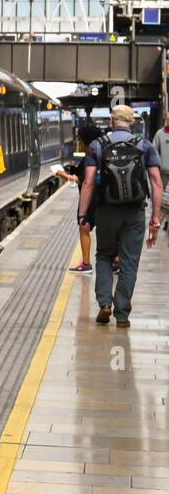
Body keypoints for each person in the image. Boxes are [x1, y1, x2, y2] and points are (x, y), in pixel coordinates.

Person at [78, 104, 164, 327]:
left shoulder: (97, 145)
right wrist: (155, 217)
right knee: (129, 262)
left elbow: (88, 183)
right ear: (132, 122)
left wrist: (82, 215)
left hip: (106, 210)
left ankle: (105, 303)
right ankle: (122, 314)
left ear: (111, 121)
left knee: (104, 255)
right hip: (135, 213)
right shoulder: (144, 145)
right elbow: (156, 182)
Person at [57, 122, 104, 273]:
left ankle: (86, 263)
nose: (79, 143)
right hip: (104, 198)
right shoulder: (104, 152)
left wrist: (64, 175)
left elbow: (84, 180)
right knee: (107, 230)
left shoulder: (90, 155)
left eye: (81, 139)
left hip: (91, 199)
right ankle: (116, 261)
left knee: (84, 228)